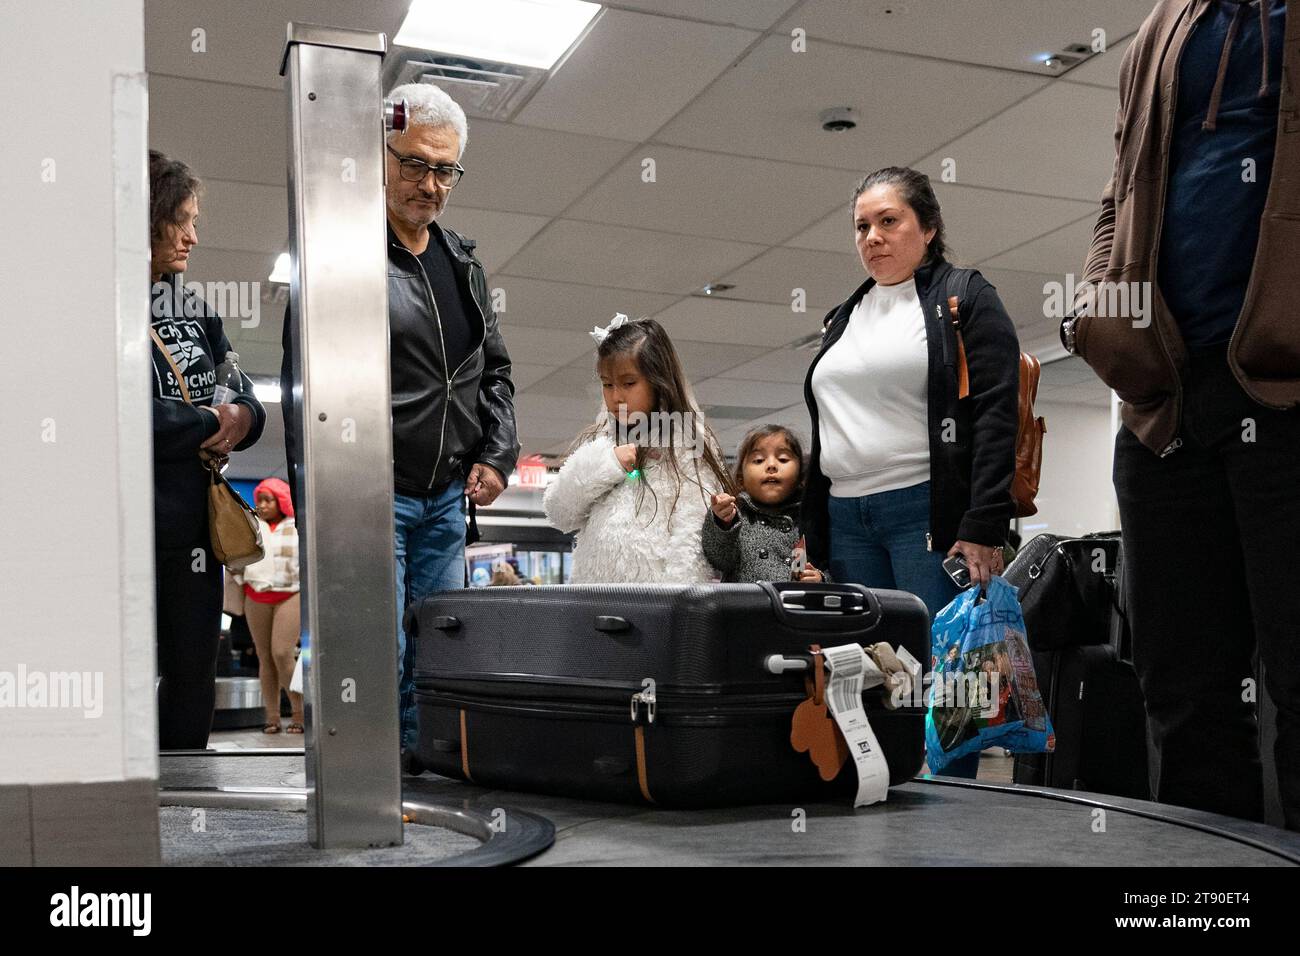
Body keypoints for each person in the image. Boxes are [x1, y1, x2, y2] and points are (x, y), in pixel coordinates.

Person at [1063, 0, 1297, 830]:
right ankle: (1210, 904)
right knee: (1183, 695)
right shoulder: (1169, 21)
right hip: (1164, 399)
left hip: (1286, 390)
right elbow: (1118, 186)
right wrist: (1094, 308)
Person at [281, 83, 520, 767]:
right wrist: (312, 506)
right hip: (367, 495)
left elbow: (494, 371)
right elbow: (306, 384)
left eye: (445, 169)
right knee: (371, 648)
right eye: (413, 162)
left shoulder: (464, 263)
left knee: (437, 643)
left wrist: (497, 453)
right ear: (377, 157)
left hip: (445, 494)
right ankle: (363, 787)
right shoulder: (343, 258)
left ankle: (425, 779)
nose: (430, 184)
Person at [800, 166, 1021, 779]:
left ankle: (950, 818)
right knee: (871, 675)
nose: (872, 236)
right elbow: (830, 426)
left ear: (928, 228)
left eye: (888, 221)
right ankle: (885, 797)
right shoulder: (846, 315)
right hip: (848, 517)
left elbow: (999, 413)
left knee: (949, 679)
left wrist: (984, 519)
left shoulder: (965, 295)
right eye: (861, 226)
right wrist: (812, 529)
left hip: (927, 511)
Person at [149, 149, 265, 750]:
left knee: (195, 669)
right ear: (147, 220)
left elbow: (242, 388)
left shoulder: (194, 310)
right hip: (130, 526)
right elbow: (124, 415)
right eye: (183, 220)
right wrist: (206, 420)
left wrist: (244, 413)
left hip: (200, 529)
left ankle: (187, 798)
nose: (194, 236)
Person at [543, 316, 730, 583]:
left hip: (653, 607)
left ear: (658, 380)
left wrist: (675, 606)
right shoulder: (601, 441)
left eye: (629, 383)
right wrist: (608, 463)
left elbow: (692, 536)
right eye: (607, 384)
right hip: (591, 600)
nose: (616, 395)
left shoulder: (687, 443)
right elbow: (558, 512)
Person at [702, 425, 828, 584]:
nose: (771, 465)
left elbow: (830, 565)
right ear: (741, 478)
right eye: (758, 460)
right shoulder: (737, 516)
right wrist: (723, 522)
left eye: (783, 459)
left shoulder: (810, 519)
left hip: (793, 606)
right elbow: (719, 559)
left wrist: (820, 579)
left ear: (800, 477)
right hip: (746, 606)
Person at [235, 478, 302, 735]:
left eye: (268, 499)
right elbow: (238, 557)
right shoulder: (253, 525)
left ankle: (300, 713)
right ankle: (272, 717)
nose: (261, 505)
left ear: (281, 501)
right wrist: (244, 579)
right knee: (265, 658)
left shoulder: (296, 526)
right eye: (259, 499)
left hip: (290, 594)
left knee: (282, 653)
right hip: (256, 595)